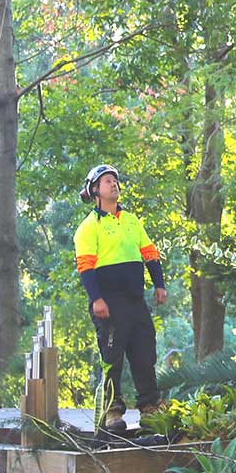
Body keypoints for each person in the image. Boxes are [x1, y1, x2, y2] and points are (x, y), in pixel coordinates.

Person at [73, 165, 167, 434]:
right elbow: (86, 268)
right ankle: (112, 411)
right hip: (109, 303)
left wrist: (158, 285)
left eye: (115, 180)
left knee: (144, 354)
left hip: (136, 300)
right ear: (95, 190)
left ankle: (150, 407)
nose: (113, 184)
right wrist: (96, 299)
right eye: (106, 181)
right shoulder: (88, 228)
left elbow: (149, 253)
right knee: (112, 358)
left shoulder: (132, 220)